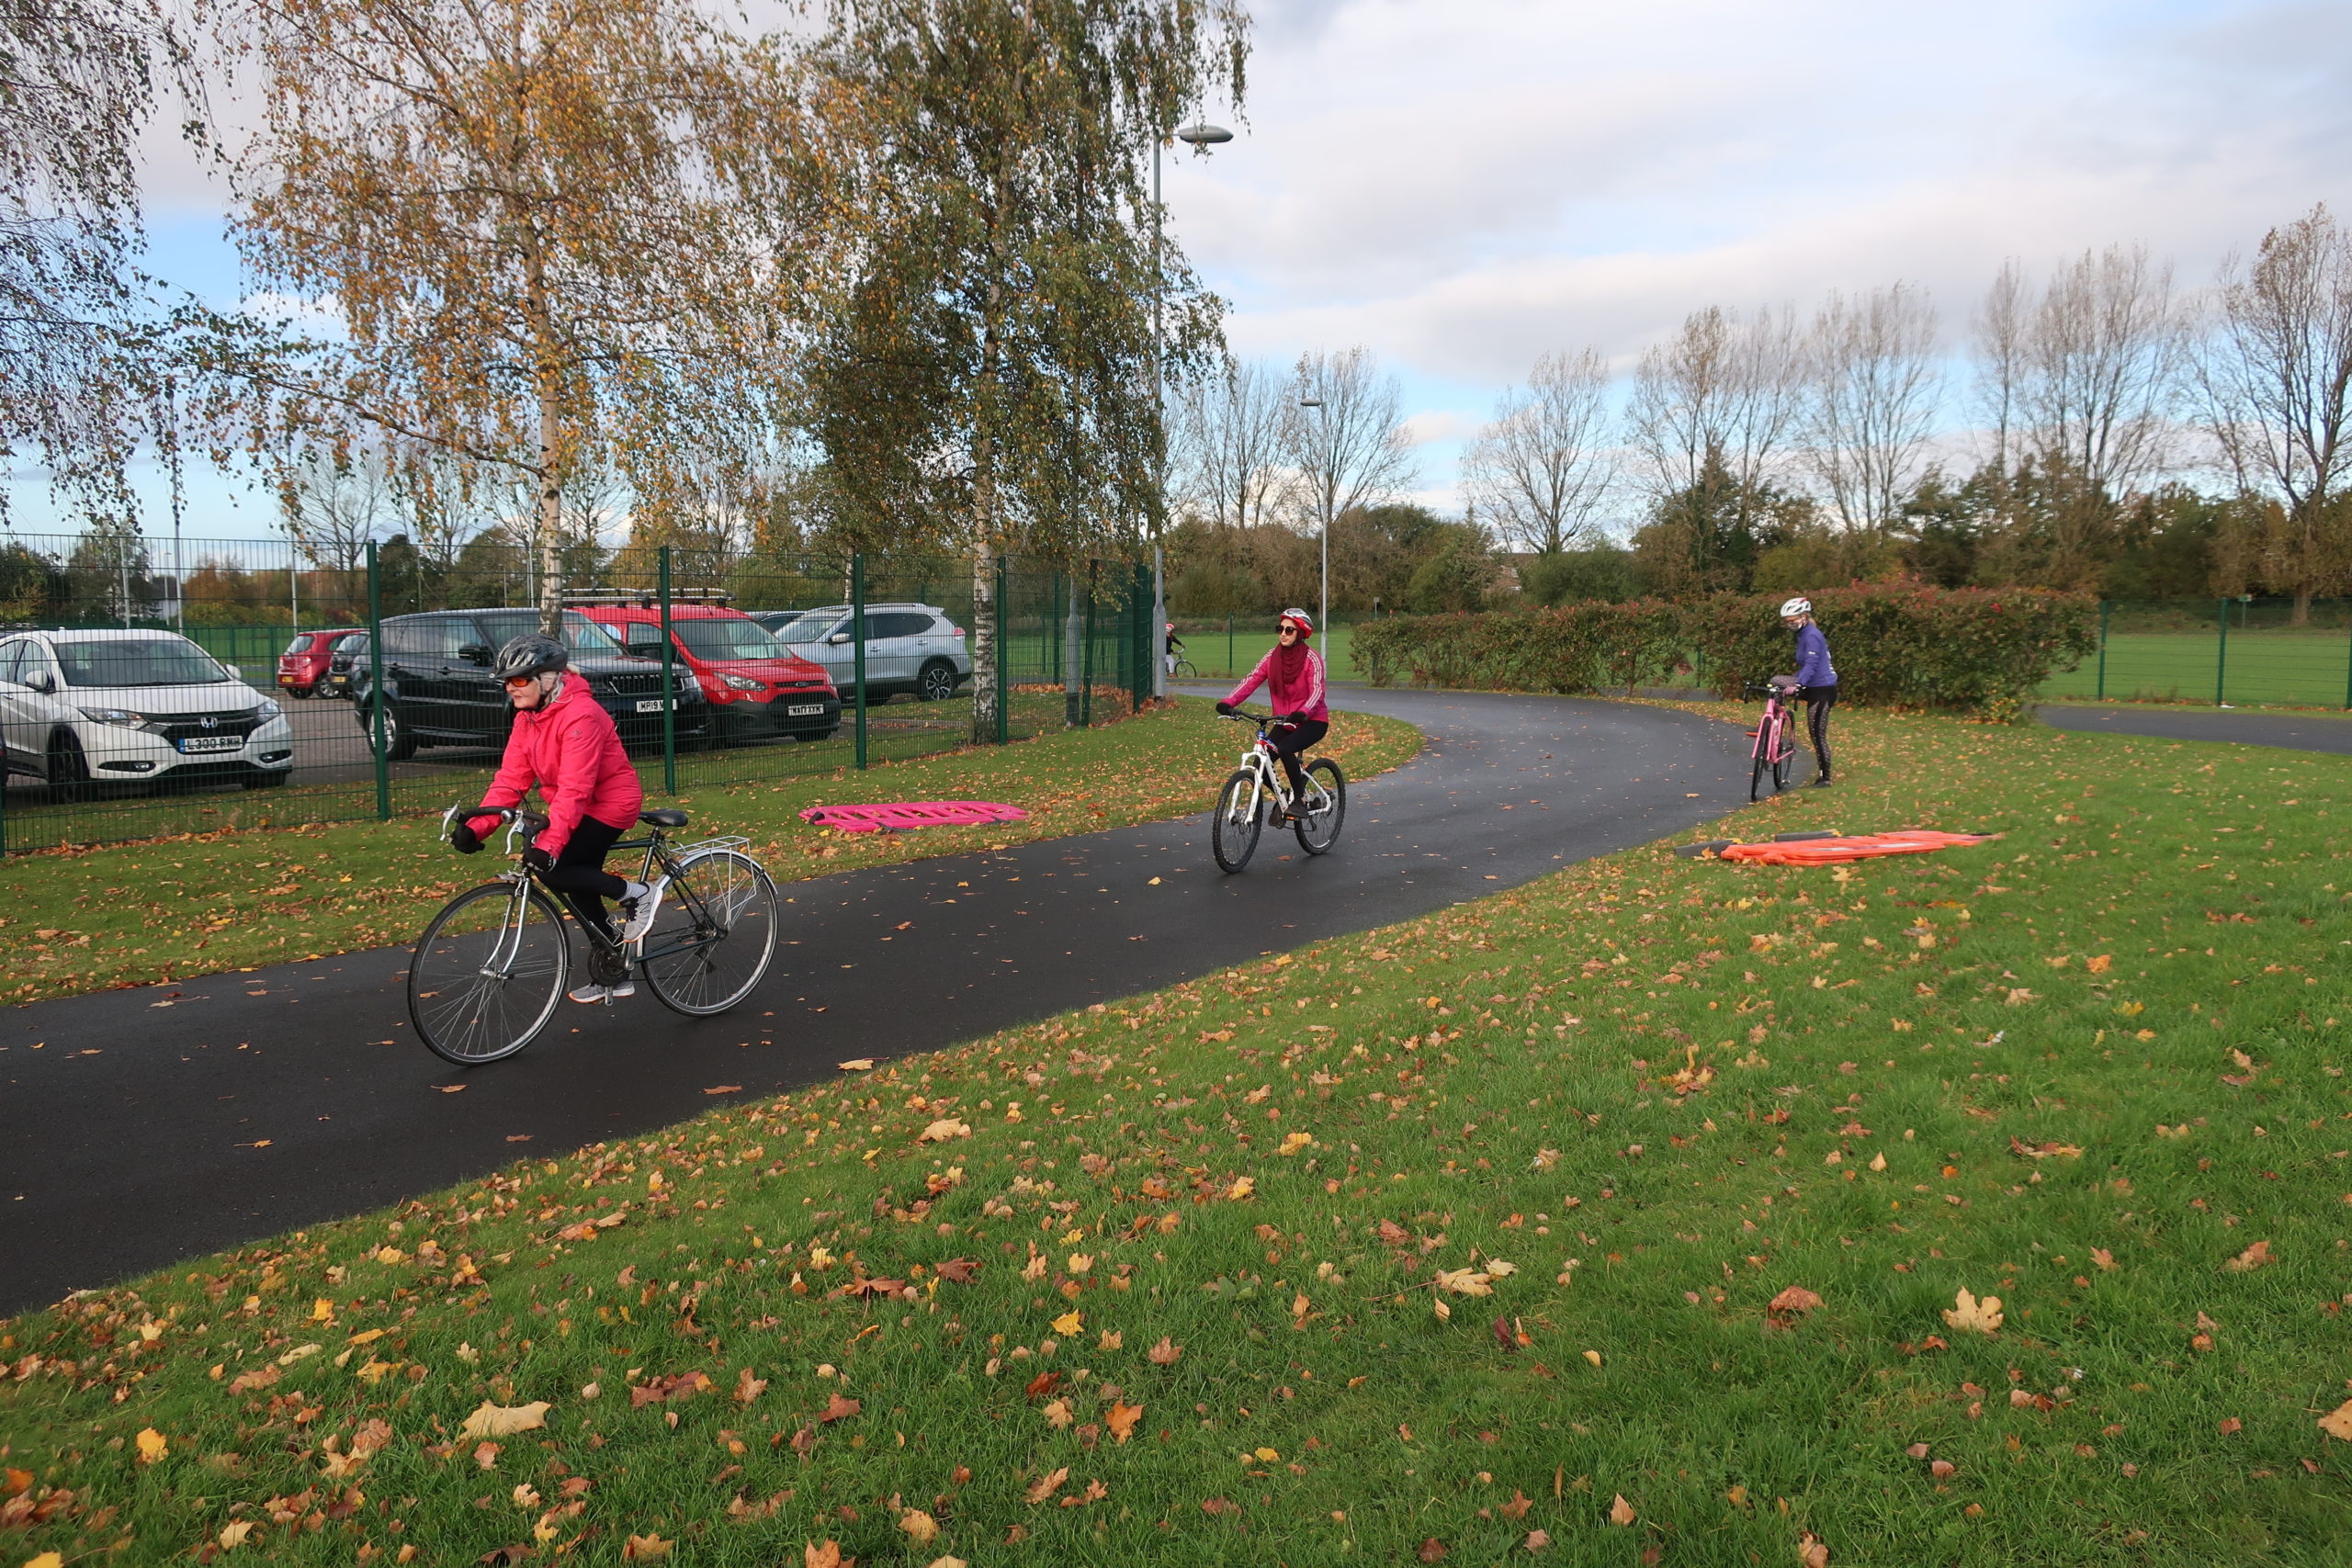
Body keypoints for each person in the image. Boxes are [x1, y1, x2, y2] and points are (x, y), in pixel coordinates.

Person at [450, 632, 658, 1003]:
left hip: (610, 804)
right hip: (571, 804)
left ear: (548, 680)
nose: (510, 690)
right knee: (576, 882)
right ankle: (614, 967)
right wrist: (477, 827)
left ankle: (639, 894)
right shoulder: (528, 719)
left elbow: (576, 788)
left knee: (553, 868)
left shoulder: (582, 715)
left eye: (517, 680)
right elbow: (510, 782)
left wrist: (549, 844)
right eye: (506, 683)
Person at [1216, 607, 1329, 816]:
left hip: (1312, 720)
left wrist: (1303, 712)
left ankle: (1300, 799)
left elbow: (1317, 692)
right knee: (1260, 763)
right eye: (1280, 629)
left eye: (1289, 630)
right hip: (1285, 721)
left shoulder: (1312, 659)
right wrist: (1228, 702)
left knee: (1285, 749)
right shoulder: (1272, 657)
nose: (1283, 634)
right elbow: (1251, 680)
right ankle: (1284, 798)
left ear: (1301, 633)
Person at [1780, 596, 1837, 787]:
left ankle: (1825, 777)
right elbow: (1805, 666)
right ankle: (1772, 725)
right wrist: (1798, 679)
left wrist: (1798, 684)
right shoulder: (1802, 634)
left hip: (1822, 689)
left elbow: (1812, 663)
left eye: (1792, 619)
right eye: (1787, 621)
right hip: (1810, 685)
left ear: (1804, 616)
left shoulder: (1812, 634)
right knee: (1775, 682)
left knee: (1817, 734)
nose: (1789, 624)